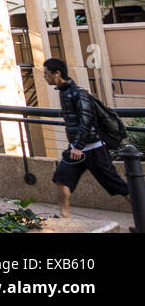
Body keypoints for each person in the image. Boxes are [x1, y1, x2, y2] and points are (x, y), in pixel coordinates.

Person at [42, 57, 129, 217]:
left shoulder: (78, 93)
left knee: (119, 186)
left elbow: (86, 119)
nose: (44, 76)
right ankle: (63, 216)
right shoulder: (64, 92)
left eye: (46, 73)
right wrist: (76, 146)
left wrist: (78, 146)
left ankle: (142, 215)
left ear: (57, 74)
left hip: (93, 148)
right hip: (77, 149)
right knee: (61, 178)